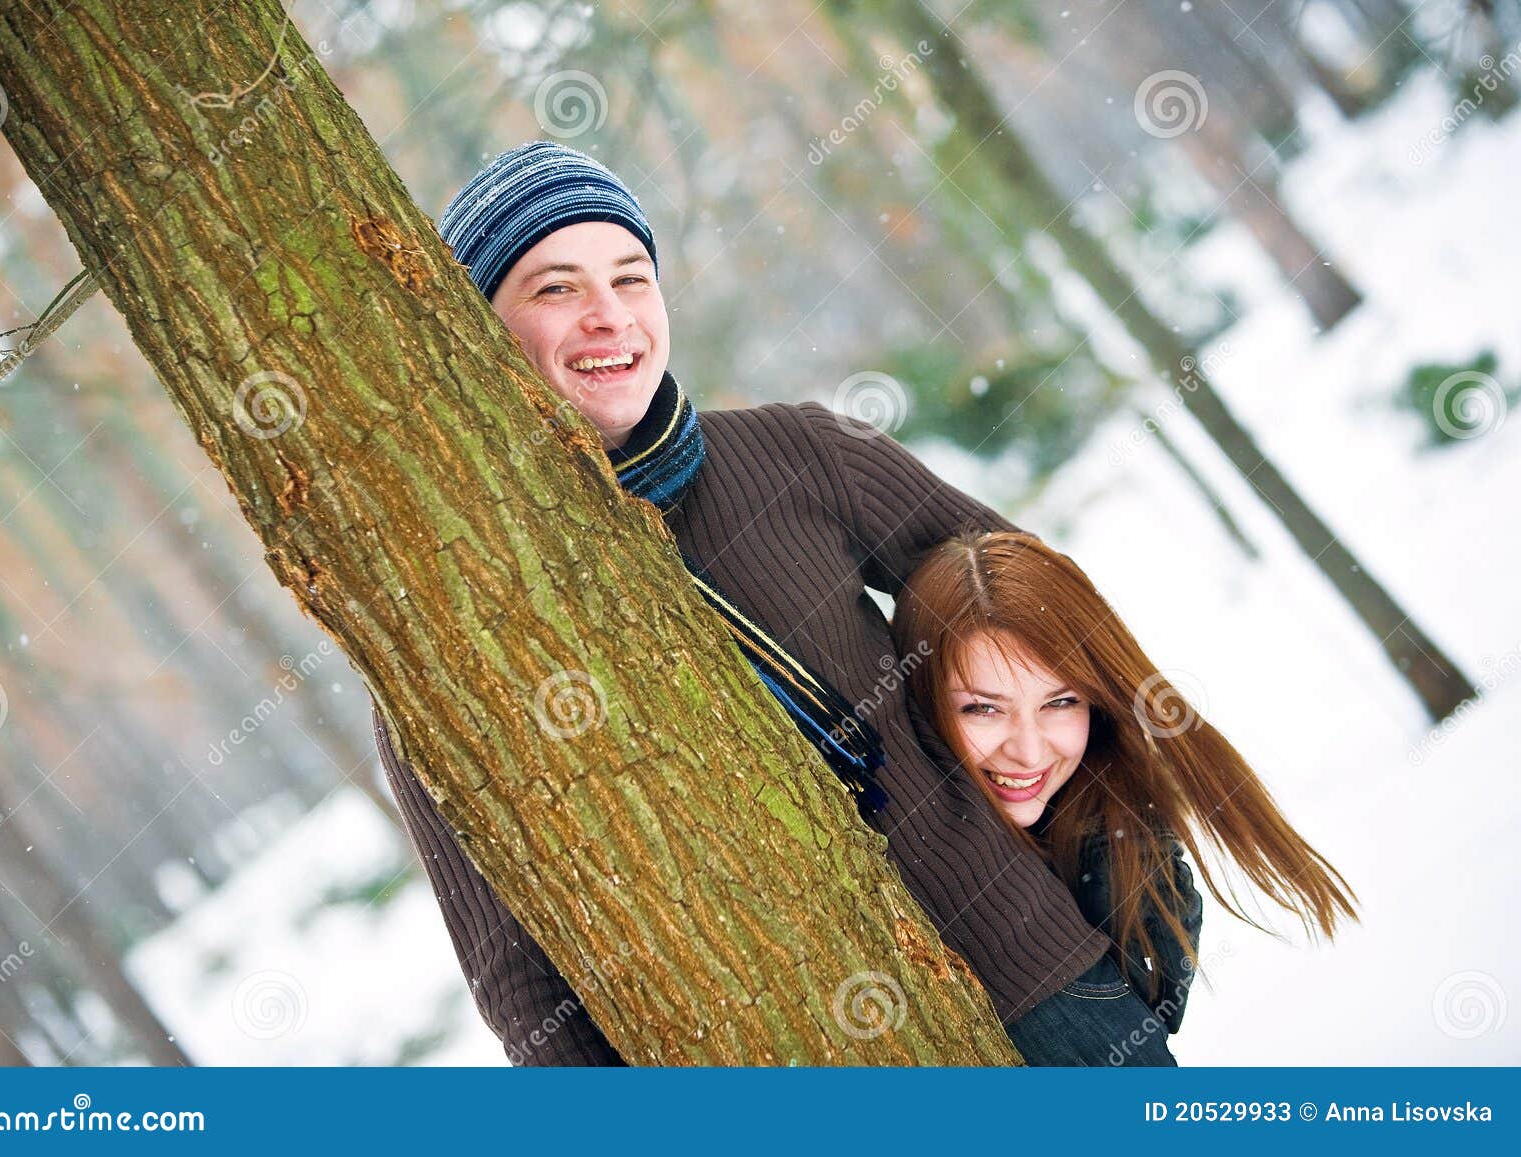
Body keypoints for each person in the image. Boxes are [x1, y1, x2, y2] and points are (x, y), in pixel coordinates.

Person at [373, 139, 1157, 1066]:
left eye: (632, 277)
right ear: (476, 335)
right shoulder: (441, 643)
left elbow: (1046, 626)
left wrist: (1126, 856)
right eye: (554, 288)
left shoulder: (799, 453)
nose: (609, 317)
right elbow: (521, 982)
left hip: (1047, 997)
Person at [893, 530, 1361, 1060]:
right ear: (921, 698)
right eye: (982, 708)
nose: (1028, 751)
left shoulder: (1122, 848)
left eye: (1061, 701)